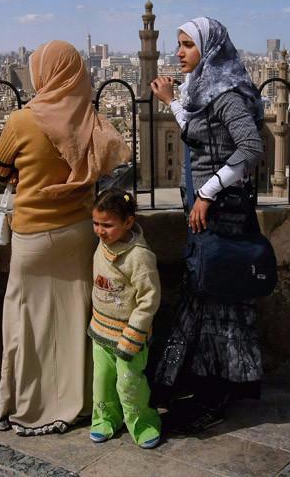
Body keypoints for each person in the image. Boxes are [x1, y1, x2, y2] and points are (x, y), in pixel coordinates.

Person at [0, 40, 130, 436]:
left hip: (32, 235)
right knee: (74, 320)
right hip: (78, 233)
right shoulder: (87, 117)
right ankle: (80, 402)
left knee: (26, 322)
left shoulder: (21, 120)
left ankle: (26, 404)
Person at [150, 17, 265, 433]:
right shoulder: (207, 89)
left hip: (222, 214)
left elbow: (250, 147)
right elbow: (202, 136)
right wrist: (171, 102)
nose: (179, 52)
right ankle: (205, 386)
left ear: (209, 49)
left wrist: (207, 192)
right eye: (177, 44)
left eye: (187, 45)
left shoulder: (227, 94)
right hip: (208, 213)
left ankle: (215, 392)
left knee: (218, 300)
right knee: (208, 296)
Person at [88, 189, 162, 449]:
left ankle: (144, 423)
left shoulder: (140, 257)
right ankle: (105, 419)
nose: (99, 230)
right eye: (96, 223)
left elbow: (149, 299)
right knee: (102, 382)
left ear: (129, 222)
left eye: (106, 225)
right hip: (101, 332)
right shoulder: (104, 242)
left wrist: (134, 335)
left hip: (129, 337)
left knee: (129, 384)